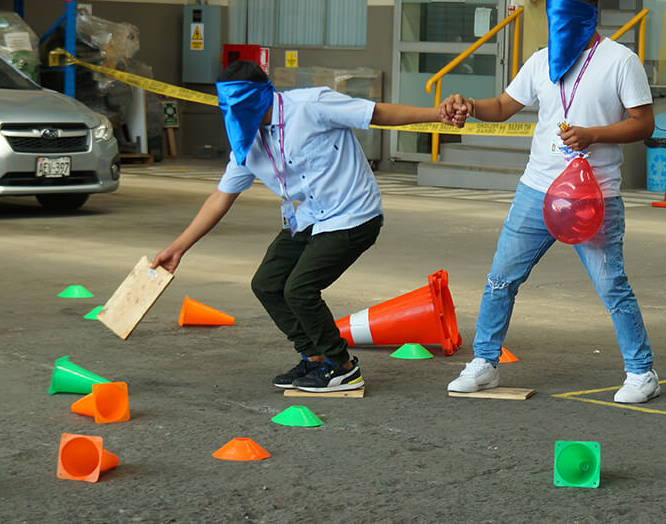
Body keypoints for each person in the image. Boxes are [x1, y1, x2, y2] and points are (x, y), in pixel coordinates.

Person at [151, 60, 455, 394]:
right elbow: (220, 197)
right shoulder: (246, 140)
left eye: (238, 104)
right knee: (267, 283)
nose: (233, 113)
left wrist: (436, 114)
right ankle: (314, 358)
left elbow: (377, 114)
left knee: (299, 289)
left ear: (263, 94)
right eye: (227, 107)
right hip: (309, 218)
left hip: (354, 215)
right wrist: (179, 247)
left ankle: (343, 368)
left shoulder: (312, 105)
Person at [439, 0, 659, 404]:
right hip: (536, 189)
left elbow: (643, 123)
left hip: (595, 196)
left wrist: (593, 134)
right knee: (501, 279)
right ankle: (485, 362)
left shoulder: (620, 60)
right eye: (549, 11)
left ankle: (641, 371)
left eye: (563, 10)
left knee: (611, 285)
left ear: (587, 12)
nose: (554, 20)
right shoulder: (541, 60)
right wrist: (469, 105)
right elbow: (503, 106)